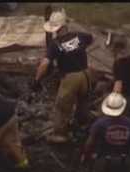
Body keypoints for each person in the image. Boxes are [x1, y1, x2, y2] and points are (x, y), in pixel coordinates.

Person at [35, 10, 94, 144]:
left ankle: (60, 135)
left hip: (70, 78)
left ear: (56, 28)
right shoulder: (79, 35)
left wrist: (36, 79)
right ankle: (83, 125)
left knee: (61, 107)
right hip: (86, 74)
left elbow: (45, 64)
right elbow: (91, 39)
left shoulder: (55, 44)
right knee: (83, 101)